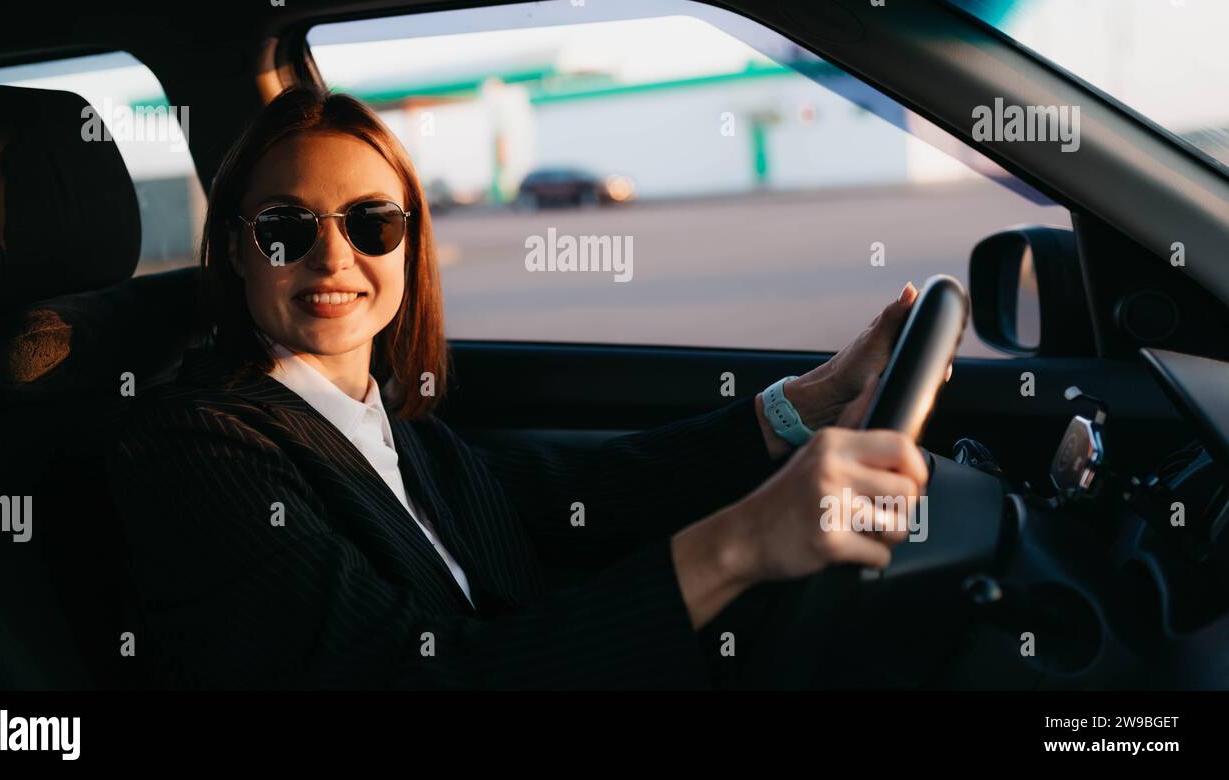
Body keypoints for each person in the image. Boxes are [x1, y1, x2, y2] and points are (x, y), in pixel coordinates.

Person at [105, 86, 928, 689]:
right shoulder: (199, 447)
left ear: (407, 246)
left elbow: (584, 491)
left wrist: (808, 403)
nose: (333, 258)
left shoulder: (384, 422)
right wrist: (742, 543)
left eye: (371, 223)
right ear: (240, 251)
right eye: (286, 226)